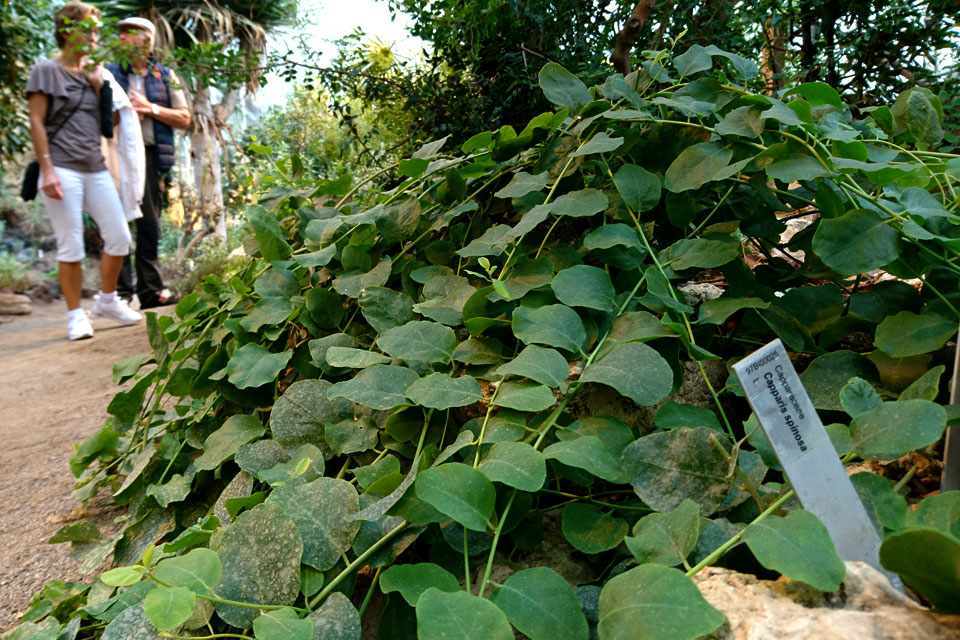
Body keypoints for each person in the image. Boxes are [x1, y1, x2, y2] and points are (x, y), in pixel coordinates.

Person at [27, 1, 142, 341]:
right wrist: (46, 170)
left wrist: (97, 85)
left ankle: (107, 300)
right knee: (71, 244)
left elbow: (113, 123)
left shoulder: (99, 71)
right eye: (88, 29)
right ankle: (75, 315)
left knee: (120, 236)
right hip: (61, 166)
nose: (95, 35)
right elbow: (36, 121)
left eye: (96, 29)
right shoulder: (46, 70)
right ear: (67, 31)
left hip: (95, 165)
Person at [108, 17, 191, 310]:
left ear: (148, 40)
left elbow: (184, 118)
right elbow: (97, 117)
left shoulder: (165, 75)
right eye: (121, 34)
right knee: (116, 221)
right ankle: (120, 293)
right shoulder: (108, 73)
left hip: (151, 156)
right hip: (115, 155)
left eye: (130, 34)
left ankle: (150, 291)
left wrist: (150, 107)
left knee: (149, 224)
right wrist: (124, 112)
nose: (123, 39)